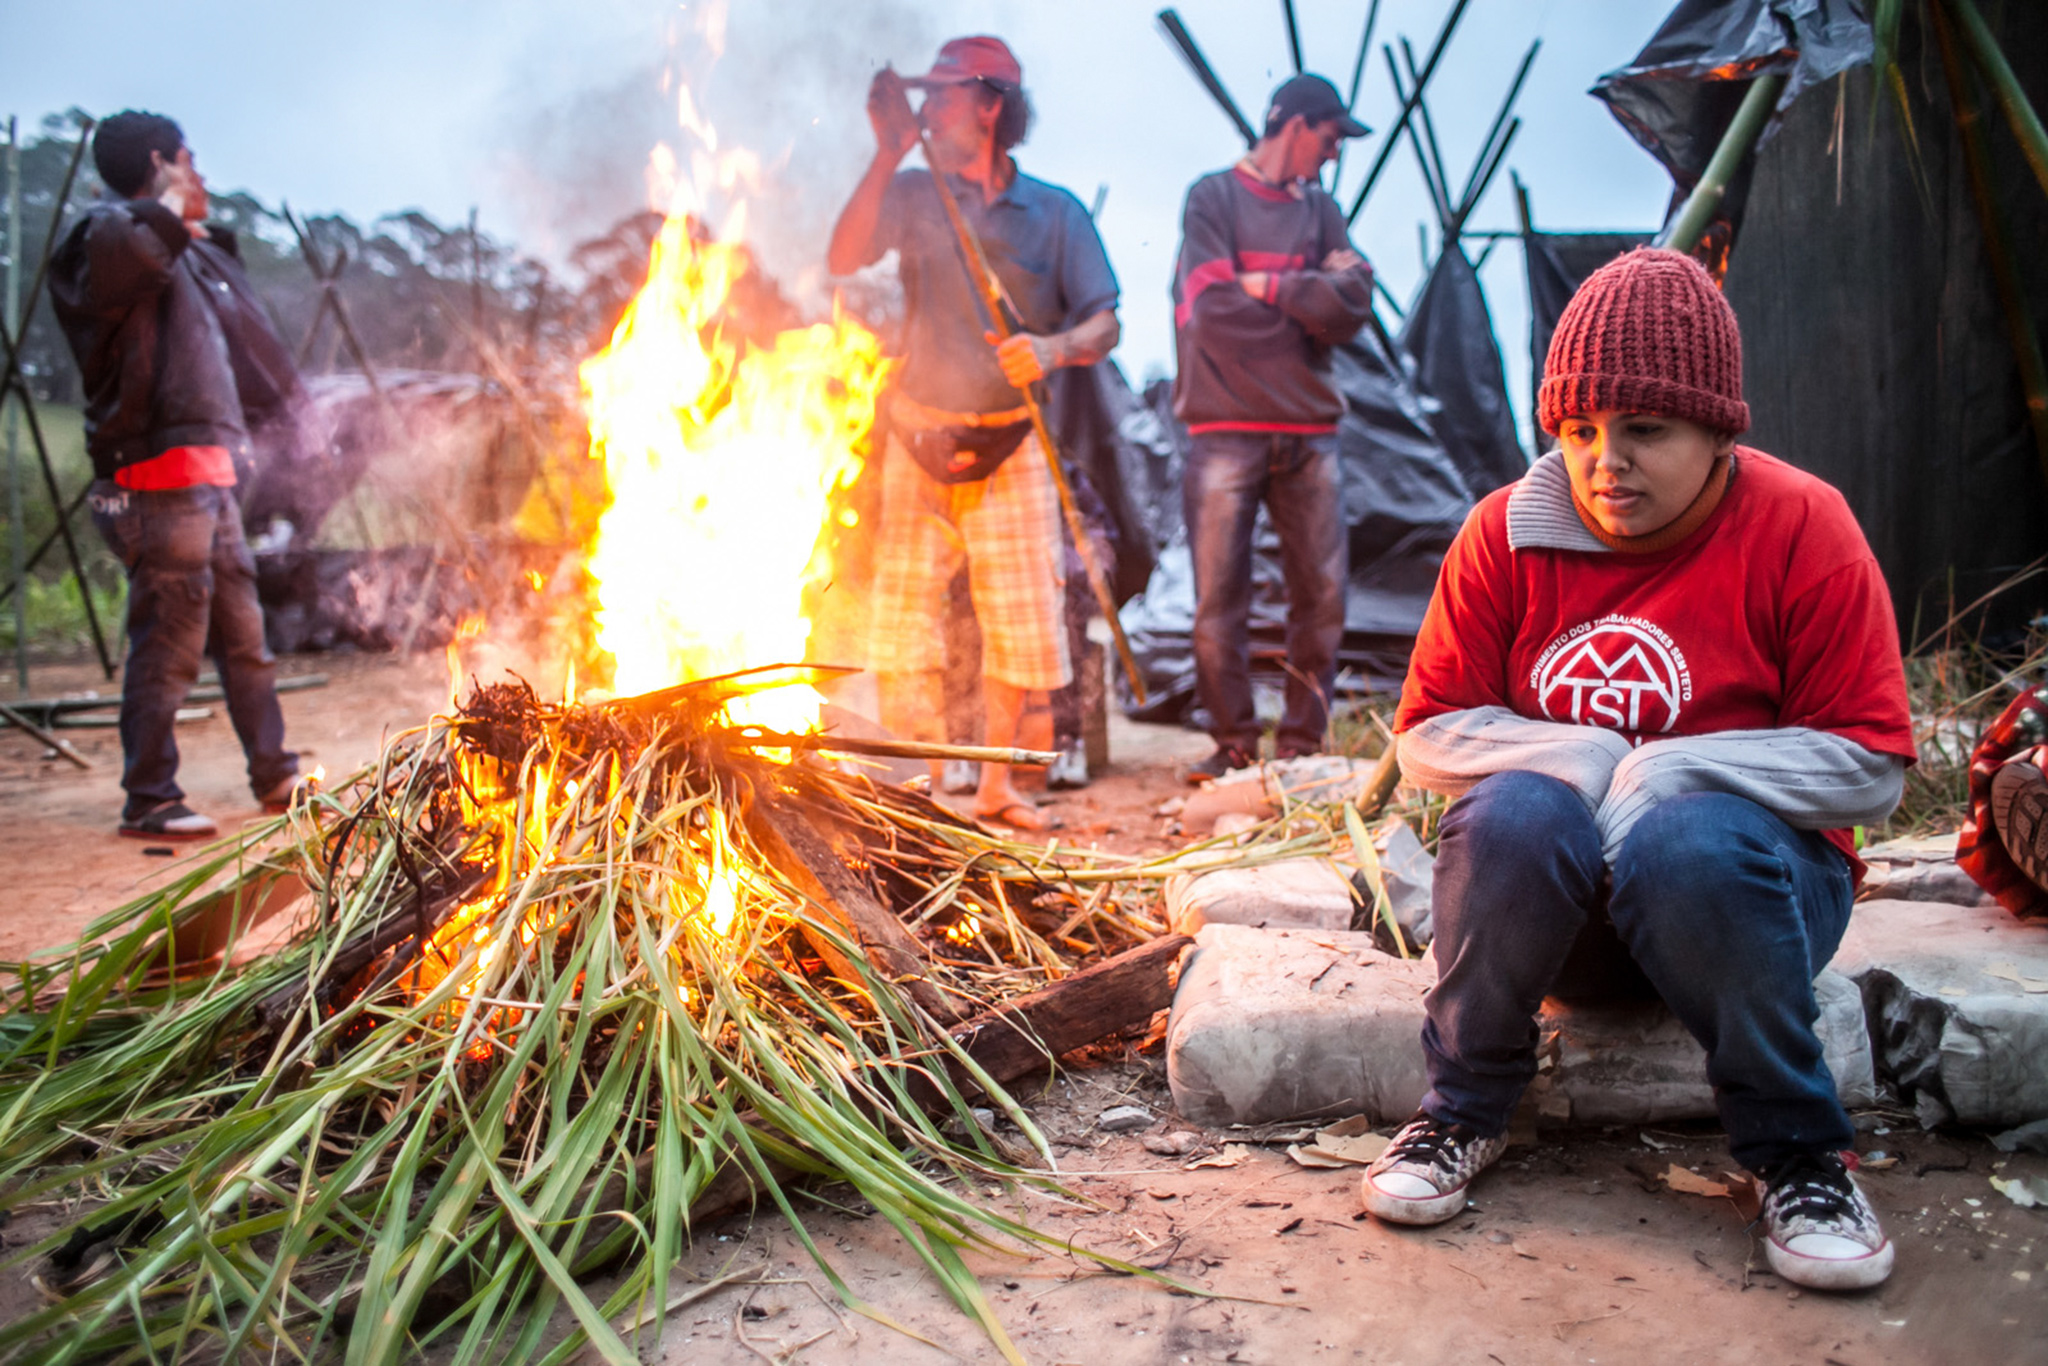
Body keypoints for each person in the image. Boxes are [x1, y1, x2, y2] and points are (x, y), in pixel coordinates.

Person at [1362, 248, 1917, 1293]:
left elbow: (1870, 770)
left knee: (1689, 833)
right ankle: (1460, 1111)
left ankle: (1795, 1154)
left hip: (1748, 911)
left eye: (1643, 429)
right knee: (1518, 811)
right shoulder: (1505, 533)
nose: (1602, 461)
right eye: (1577, 430)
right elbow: (1426, 733)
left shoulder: (1801, 526)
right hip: (1565, 928)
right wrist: (1586, 754)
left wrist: (1669, 772)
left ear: (1718, 431)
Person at [828, 36, 1119, 830]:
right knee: (902, 617)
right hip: (916, 434)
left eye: (945, 94)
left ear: (990, 106)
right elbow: (845, 254)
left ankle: (997, 787)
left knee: (1021, 617)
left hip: (1011, 439)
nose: (928, 109)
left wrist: (1052, 349)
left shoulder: (1055, 212)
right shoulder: (916, 190)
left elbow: (1106, 324)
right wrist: (888, 155)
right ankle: (919, 787)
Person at [50, 111, 300, 839]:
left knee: (245, 636)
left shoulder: (177, 253)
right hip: (157, 479)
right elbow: (134, 248)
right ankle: (150, 798)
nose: (202, 178)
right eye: (189, 162)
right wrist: (161, 197)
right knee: (169, 640)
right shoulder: (105, 237)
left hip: (209, 478)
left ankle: (276, 773)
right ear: (159, 163)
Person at [1171, 73, 1376, 782]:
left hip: (1311, 429)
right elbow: (1210, 314)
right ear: (1294, 124)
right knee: (1216, 597)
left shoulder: (1322, 212)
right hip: (1223, 427)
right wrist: (1307, 302)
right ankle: (1232, 745)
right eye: (1329, 137)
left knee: (1321, 595)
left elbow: (1353, 307)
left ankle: (1300, 751)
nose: (1332, 154)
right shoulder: (1212, 198)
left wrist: (1266, 287)